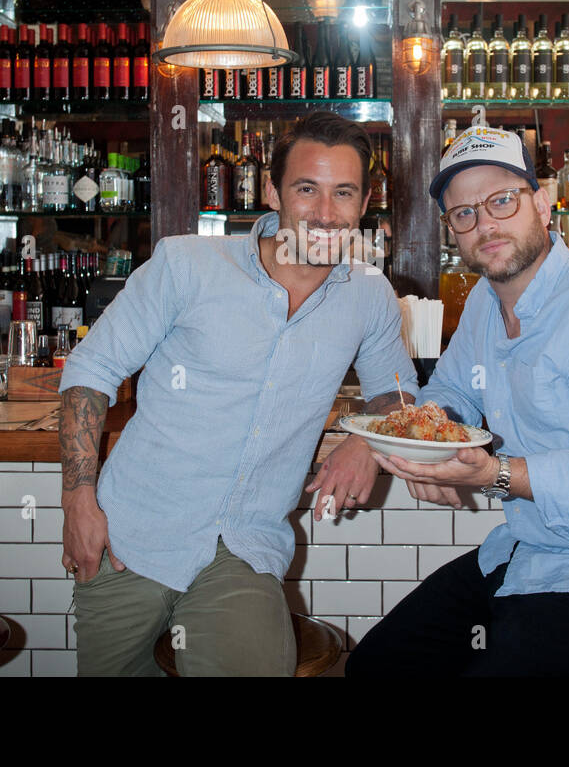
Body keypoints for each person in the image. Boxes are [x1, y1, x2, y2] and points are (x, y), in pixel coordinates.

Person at [57, 112, 417, 677]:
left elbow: (396, 396)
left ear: (366, 200)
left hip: (244, 550)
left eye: (343, 192)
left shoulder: (370, 297)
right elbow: (91, 369)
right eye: (306, 189)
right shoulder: (187, 265)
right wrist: (78, 500)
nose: (325, 213)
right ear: (272, 191)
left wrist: (366, 443)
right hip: (129, 536)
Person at [346, 125, 569, 677]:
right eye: (463, 213)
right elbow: (451, 393)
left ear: (541, 203)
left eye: (501, 200)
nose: (484, 223)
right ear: (453, 232)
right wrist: (425, 441)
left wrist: (491, 475)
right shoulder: (484, 308)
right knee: (375, 666)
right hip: (528, 552)